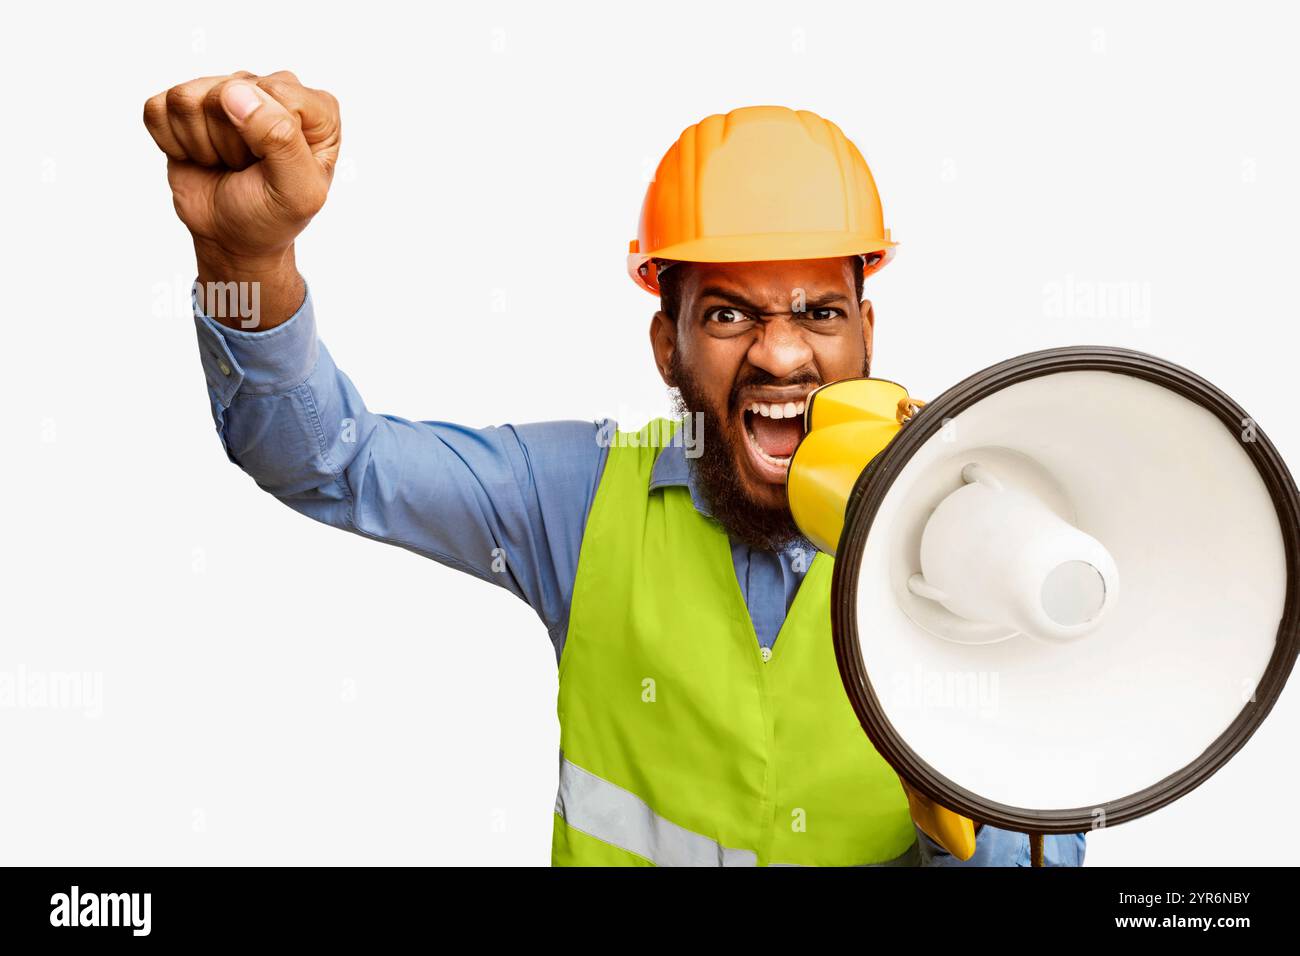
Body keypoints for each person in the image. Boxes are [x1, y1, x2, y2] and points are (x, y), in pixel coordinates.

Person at [144, 70, 1087, 867]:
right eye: (727, 314)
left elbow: (1055, 844)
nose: (782, 356)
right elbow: (328, 463)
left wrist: (965, 823)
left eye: (819, 313)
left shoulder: (969, 532)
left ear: (866, 333)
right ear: (666, 347)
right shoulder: (577, 494)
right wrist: (245, 256)